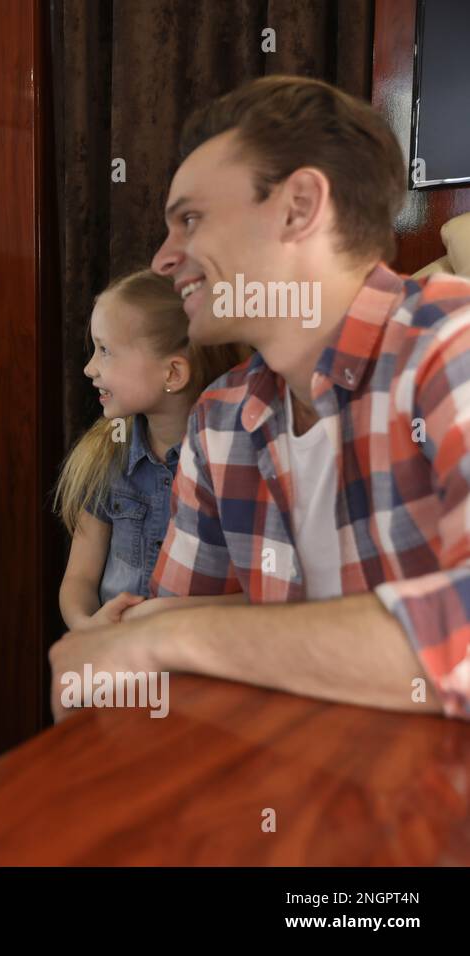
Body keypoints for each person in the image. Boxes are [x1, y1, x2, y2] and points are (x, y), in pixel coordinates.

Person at [49, 75, 470, 721]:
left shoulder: (452, 344)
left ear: (299, 206)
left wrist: (165, 636)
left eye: (190, 219)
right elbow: (180, 617)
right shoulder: (219, 420)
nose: (164, 259)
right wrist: (139, 637)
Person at [55, 269, 248, 629]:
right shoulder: (104, 454)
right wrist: (87, 625)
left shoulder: (236, 464)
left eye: (105, 351)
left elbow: (267, 596)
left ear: (173, 373)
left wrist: (162, 616)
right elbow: (78, 579)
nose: (89, 368)